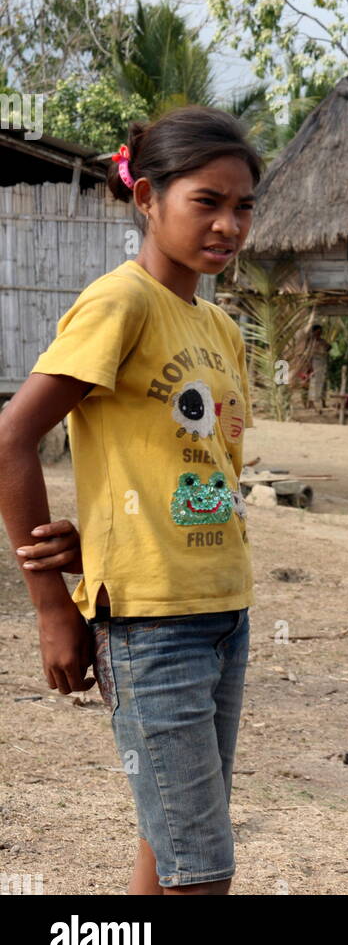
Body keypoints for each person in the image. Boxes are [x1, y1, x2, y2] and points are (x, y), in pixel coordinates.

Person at [0, 106, 262, 895]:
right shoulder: (121, 304)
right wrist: (52, 603)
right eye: (206, 202)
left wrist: (111, 523)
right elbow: (13, 436)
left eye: (244, 205)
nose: (228, 225)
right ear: (147, 198)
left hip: (224, 610)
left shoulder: (219, 327)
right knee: (202, 869)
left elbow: (189, 466)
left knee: (173, 839)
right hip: (152, 628)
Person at [306, 323, 329, 411]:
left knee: (323, 382)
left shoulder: (322, 341)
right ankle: (311, 402)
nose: (319, 333)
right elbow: (308, 356)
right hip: (314, 363)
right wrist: (310, 366)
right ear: (313, 332)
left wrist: (324, 345)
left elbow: (328, 348)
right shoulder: (310, 342)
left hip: (323, 363)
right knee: (313, 382)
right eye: (317, 332)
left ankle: (323, 402)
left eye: (320, 332)